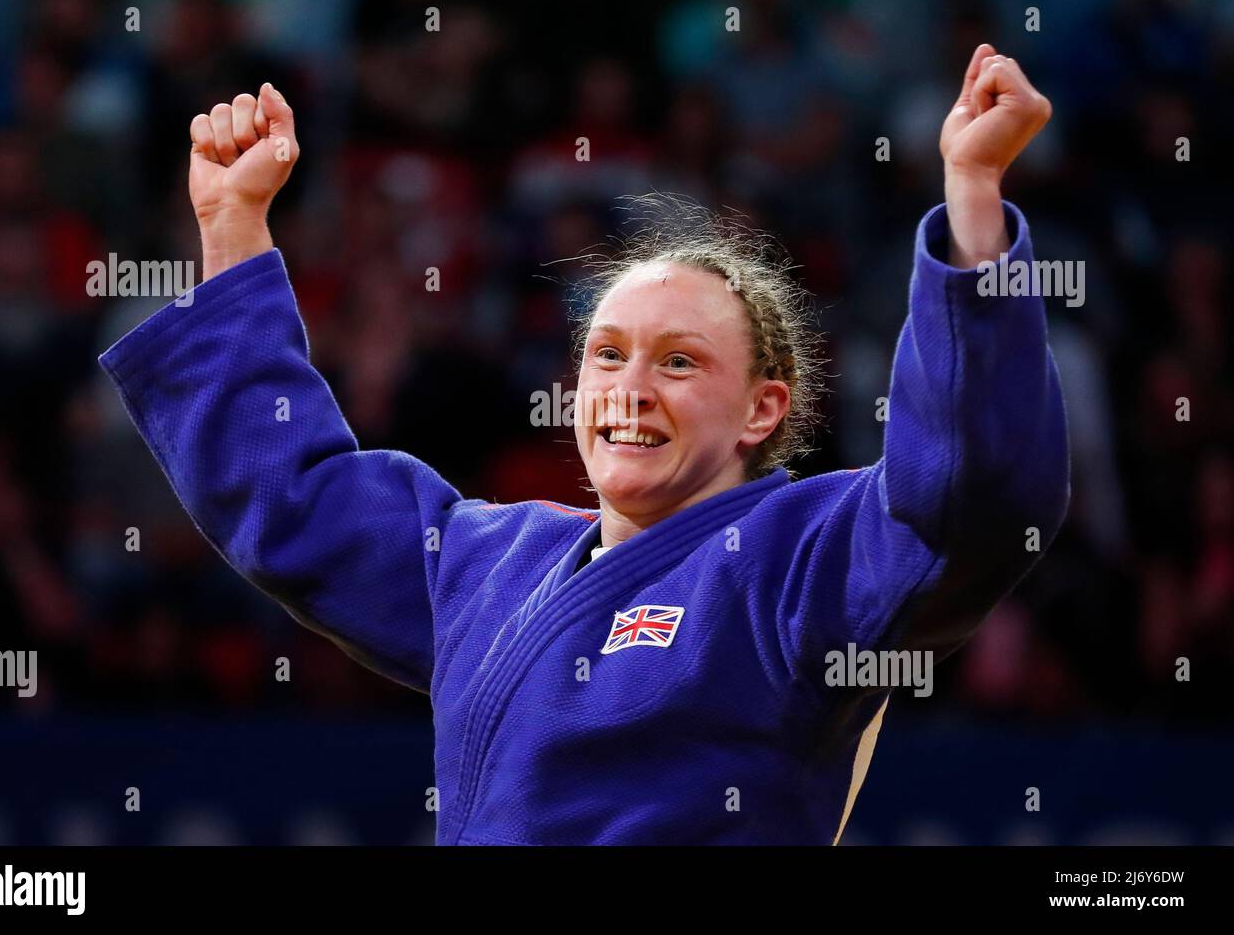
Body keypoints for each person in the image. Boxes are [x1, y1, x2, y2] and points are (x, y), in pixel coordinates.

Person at [99, 44, 1069, 844]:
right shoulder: (487, 562)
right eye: (606, 354)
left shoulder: (798, 552)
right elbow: (290, 501)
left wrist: (973, 200)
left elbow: (965, 500)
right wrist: (233, 229)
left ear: (761, 411)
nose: (628, 389)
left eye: (679, 362)